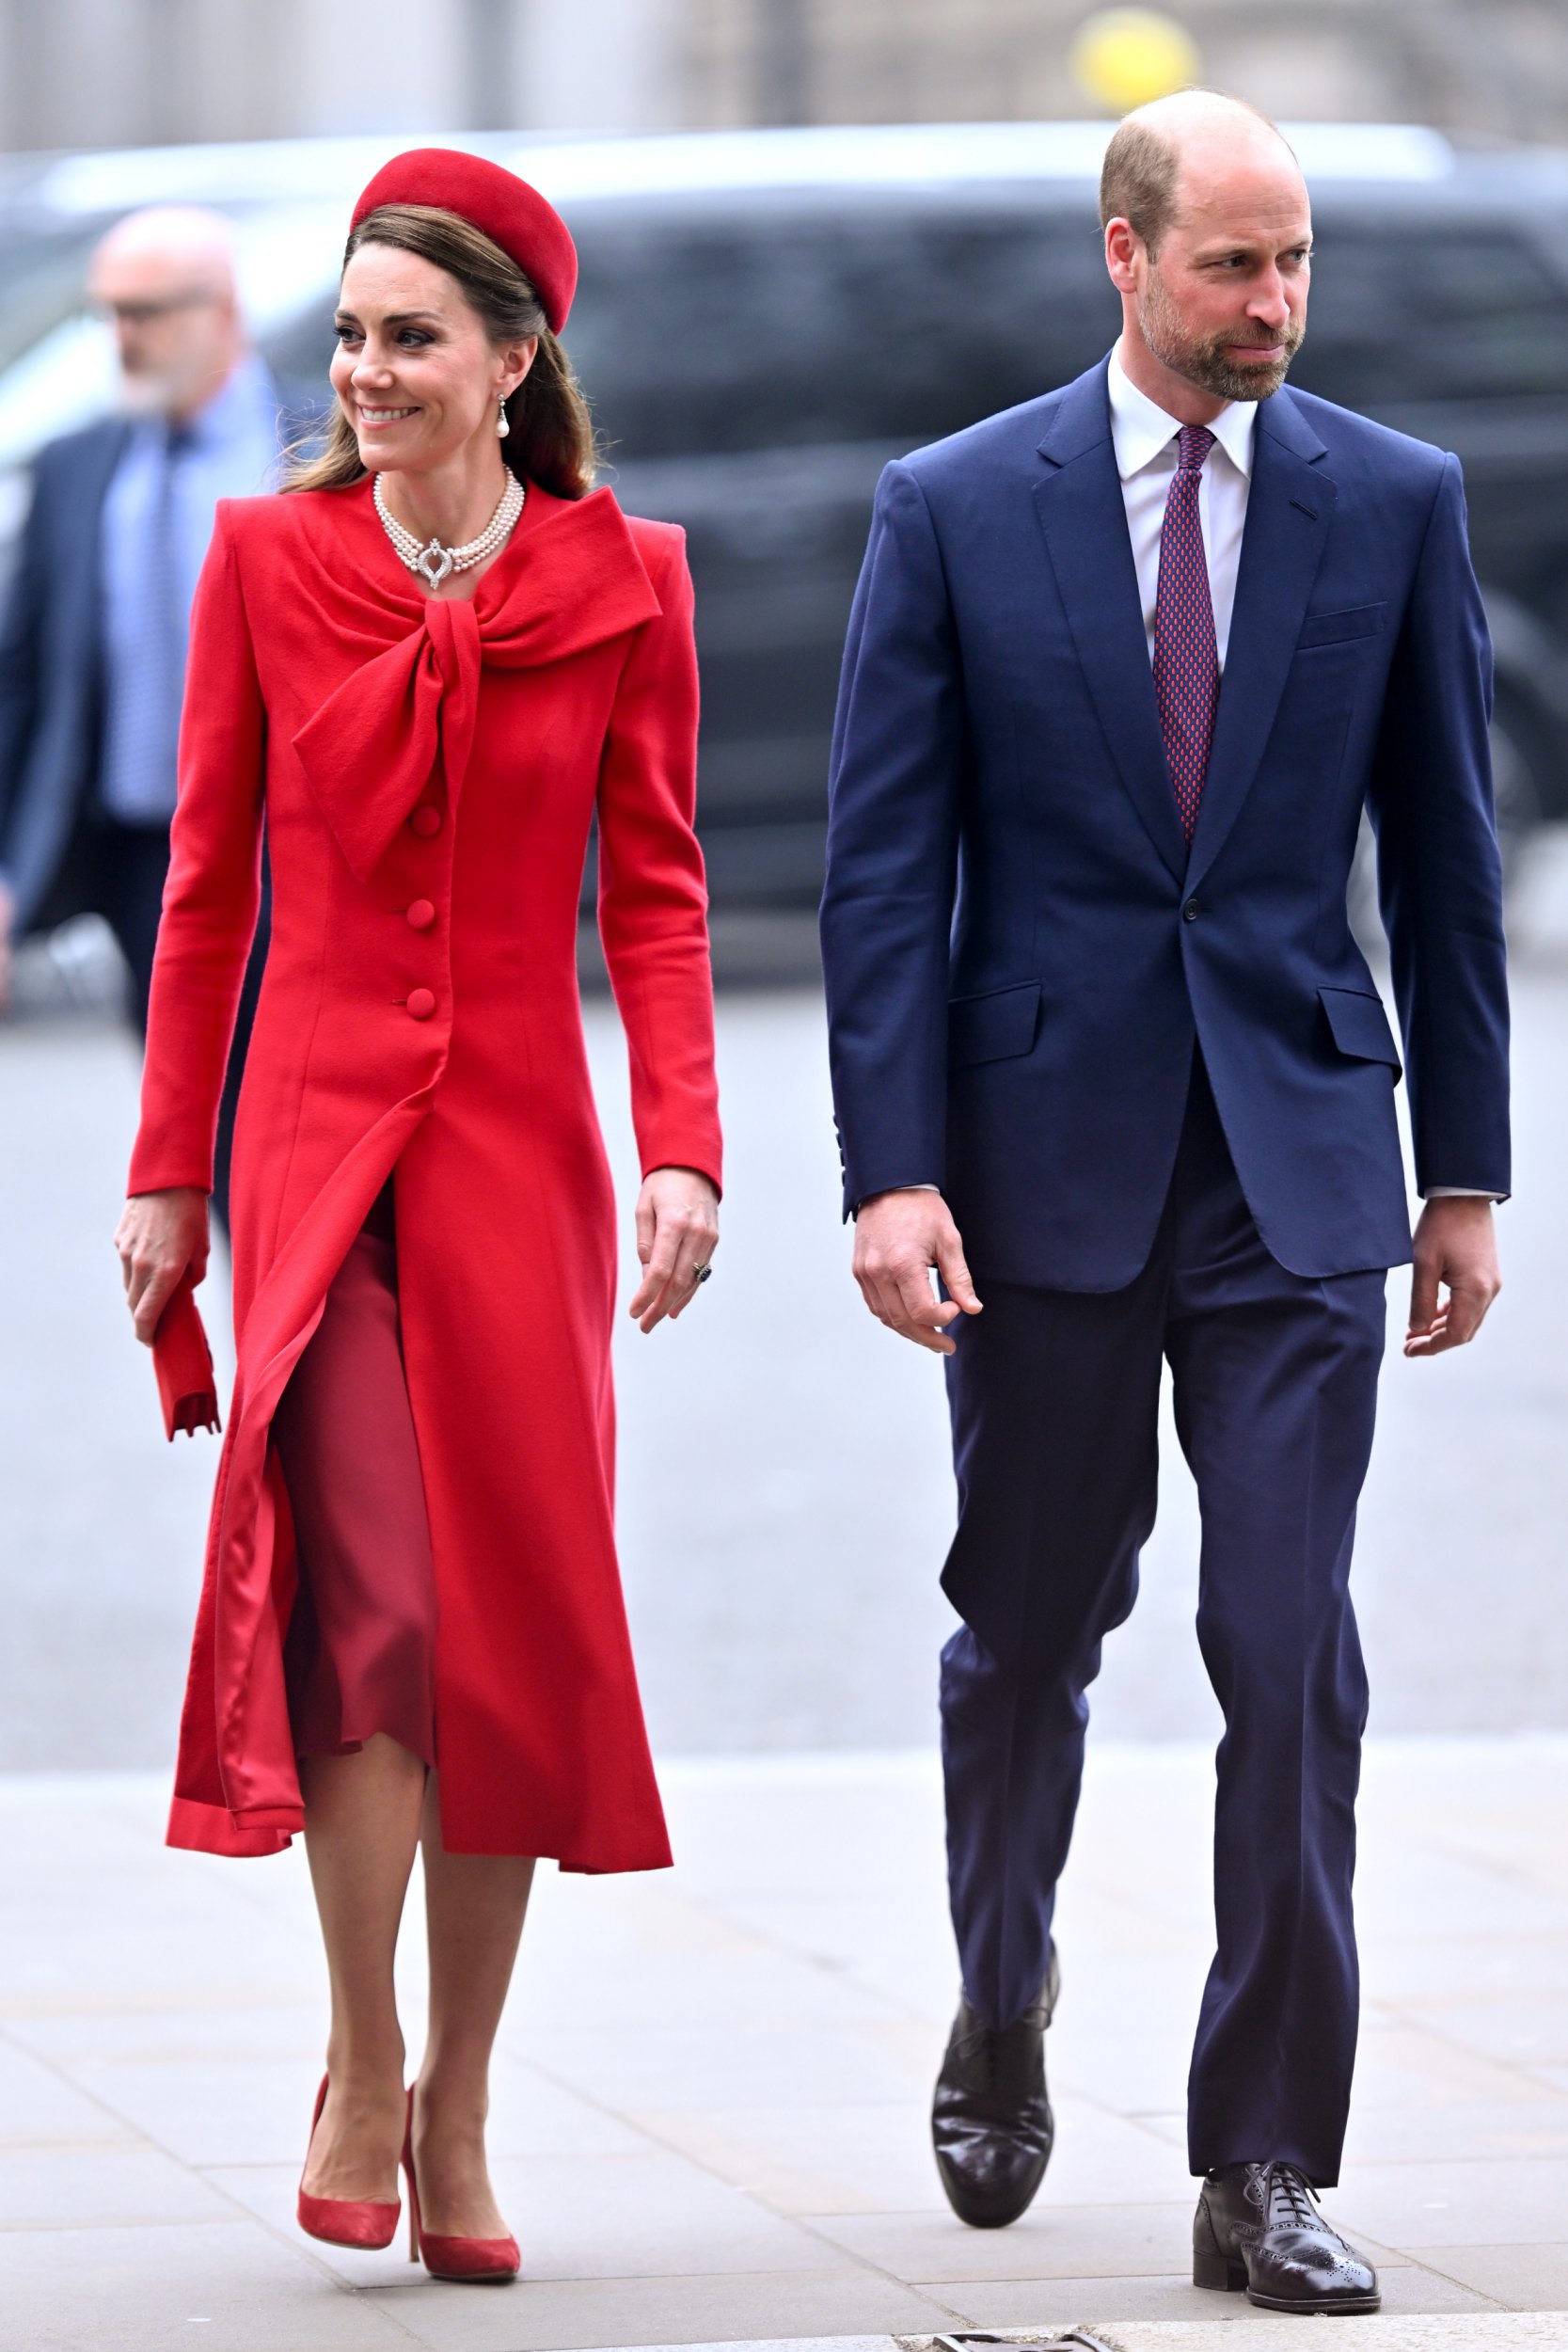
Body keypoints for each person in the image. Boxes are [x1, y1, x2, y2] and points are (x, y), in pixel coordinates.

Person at [820, 91, 1508, 2317]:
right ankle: (1001, 1996)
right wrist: (890, 1169)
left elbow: (1450, 859)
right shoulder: (950, 507)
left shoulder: (1391, 504)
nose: (1273, 307)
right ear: (1122, 258)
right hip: (1035, 1176)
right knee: (1028, 1634)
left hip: (1299, 1166)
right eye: (1231, 265)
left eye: (1293, 262)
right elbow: (879, 874)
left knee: (1291, 1658)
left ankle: (1263, 2162)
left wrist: (1463, 1173)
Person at [114, 149, 721, 2281]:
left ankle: (464, 2102)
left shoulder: (629, 578)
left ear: (513, 360)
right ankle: (361, 2057)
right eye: (350, 335)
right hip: (308, 1154)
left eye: (407, 339)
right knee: (366, 1612)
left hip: (524, 1171)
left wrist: (683, 1147)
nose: (361, 371)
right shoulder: (264, 566)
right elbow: (206, 888)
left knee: (505, 1638)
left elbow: (655, 892)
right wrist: (165, 1170)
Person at [0, 207, 279, 1225]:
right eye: (109, 313)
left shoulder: (315, 451)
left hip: (284, 856)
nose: (123, 336)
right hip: (140, 860)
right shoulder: (78, 466)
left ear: (224, 312)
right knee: (192, 1131)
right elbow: (22, 682)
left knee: (291, 1128)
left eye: (148, 312)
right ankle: (271, 1350)